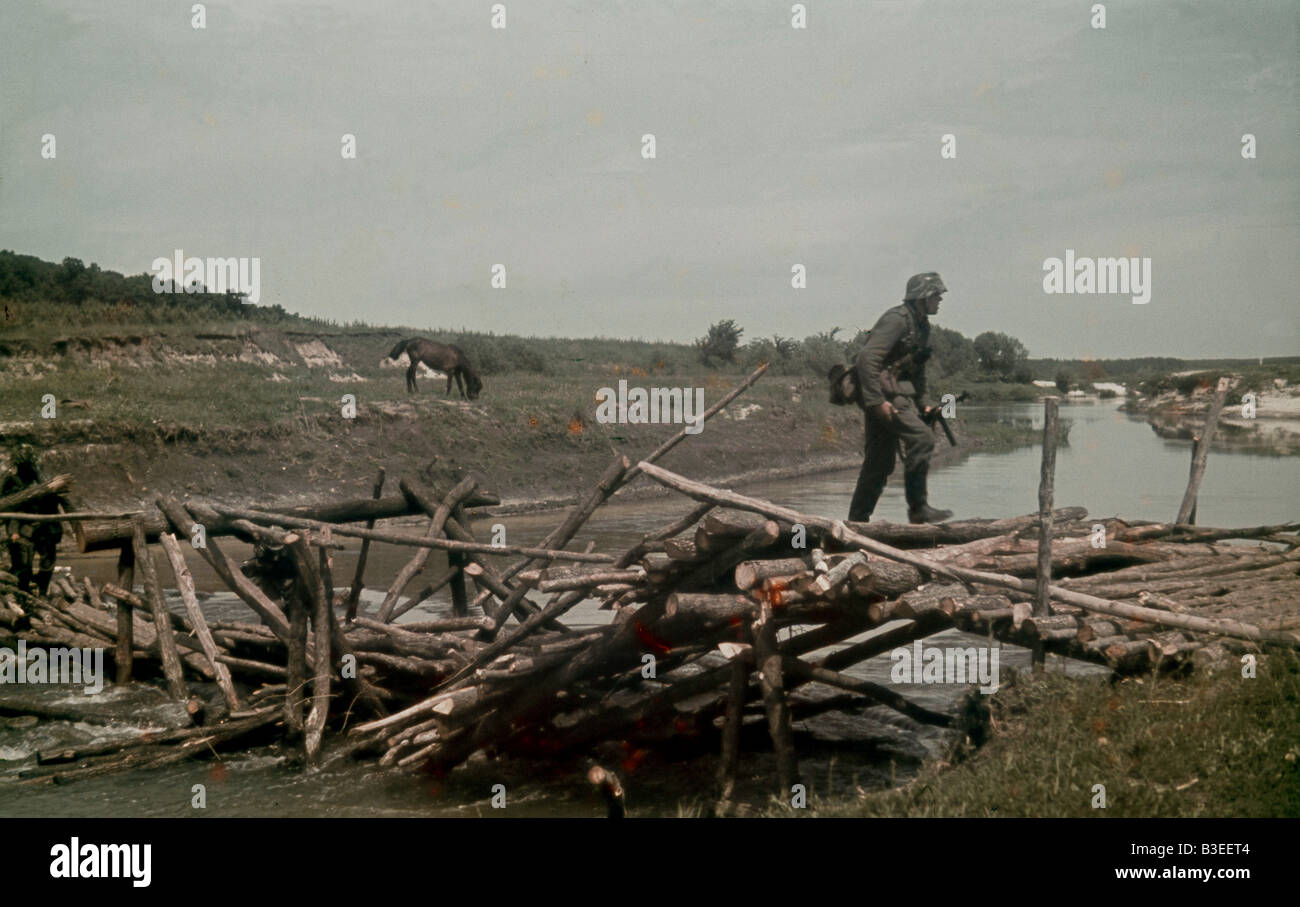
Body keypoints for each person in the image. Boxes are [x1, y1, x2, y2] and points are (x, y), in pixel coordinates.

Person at [848, 272, 954, 524]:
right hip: (883, 395)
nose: (940, 300)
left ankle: (856, 523)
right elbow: (867, 359)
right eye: (937, 295)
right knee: (922, 438)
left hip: (893, 394)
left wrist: (923, 402)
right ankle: (918, 509)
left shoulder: (922, 325)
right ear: (924, 296)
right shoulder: (896, 320)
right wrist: (876, 402)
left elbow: (916, 370)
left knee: (879, 463)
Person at [2, 446, 67, 596]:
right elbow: (11, 510)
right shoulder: (12, 483)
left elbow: (54, 500)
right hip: (23, 527)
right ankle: (24, 592)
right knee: (23, 564)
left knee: (47, 562)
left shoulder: (41, 481)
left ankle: (41, 590)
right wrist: (13, 532)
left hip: (44, 527)